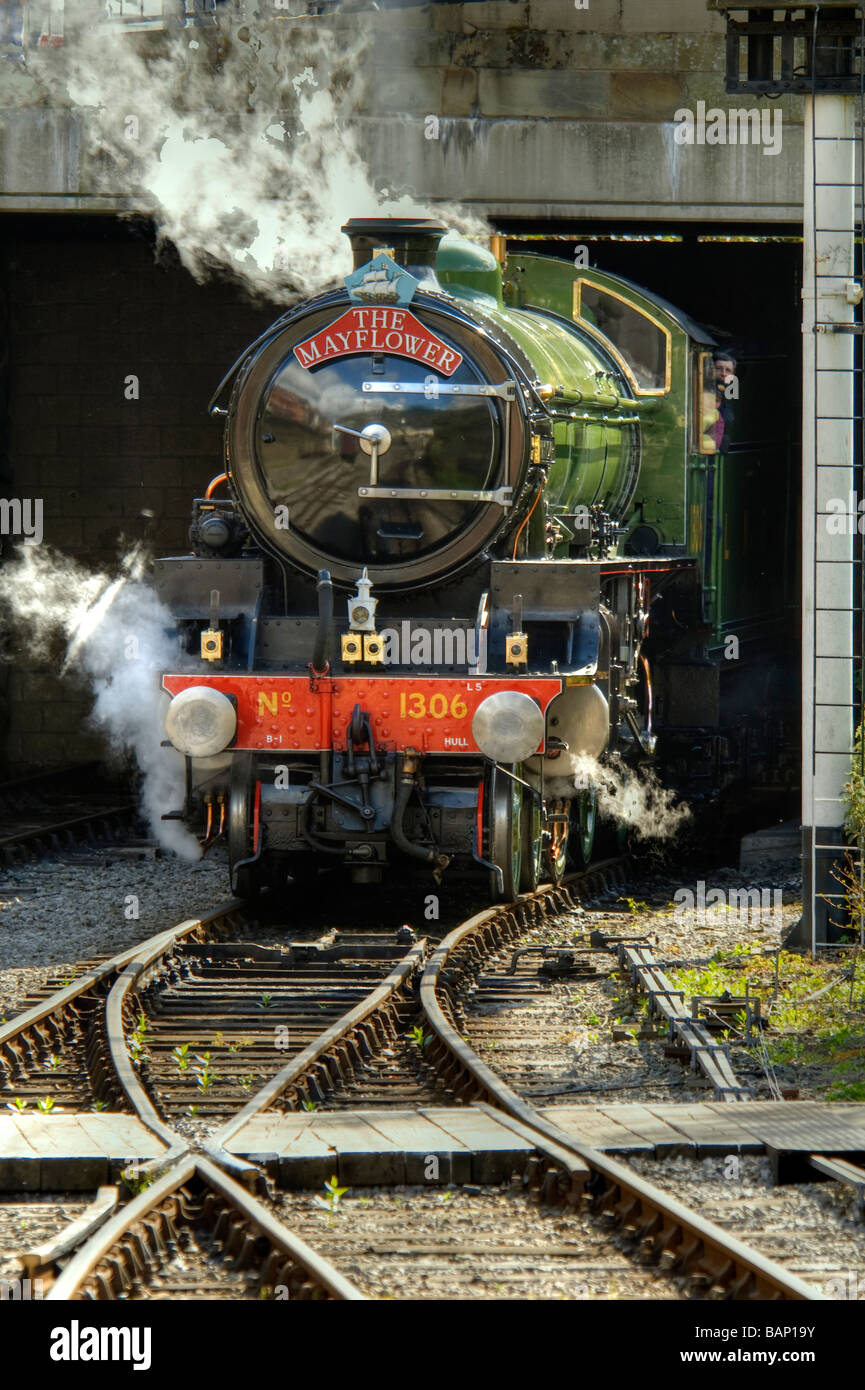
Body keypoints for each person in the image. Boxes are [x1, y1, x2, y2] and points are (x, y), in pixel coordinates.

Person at [711, 350, 737, 453]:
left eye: (728, 370)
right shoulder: (707, 391)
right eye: (719, 369)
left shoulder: (726, 392)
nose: (723, 374)